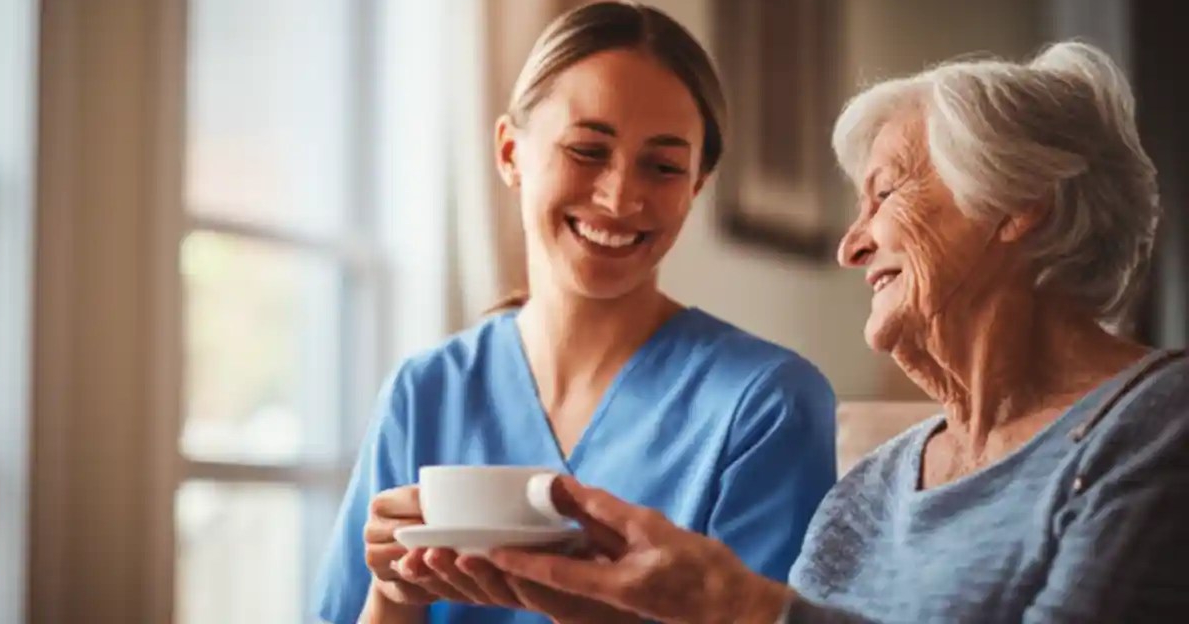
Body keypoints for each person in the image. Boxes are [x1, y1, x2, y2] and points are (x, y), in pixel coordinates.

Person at [478, 41, 1189, 623]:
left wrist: (742, 609)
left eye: (886, 193)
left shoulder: (1160, 427)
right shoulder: (874, 485)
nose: (851, 246)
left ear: (1017, 204)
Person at [312, 0, 837, 624]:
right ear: (510, 152)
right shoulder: (425, 392)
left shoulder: (766, 406)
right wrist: (395, 592)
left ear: (696, 185)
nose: (619, 197)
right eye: (588, 150)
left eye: (663, 167)